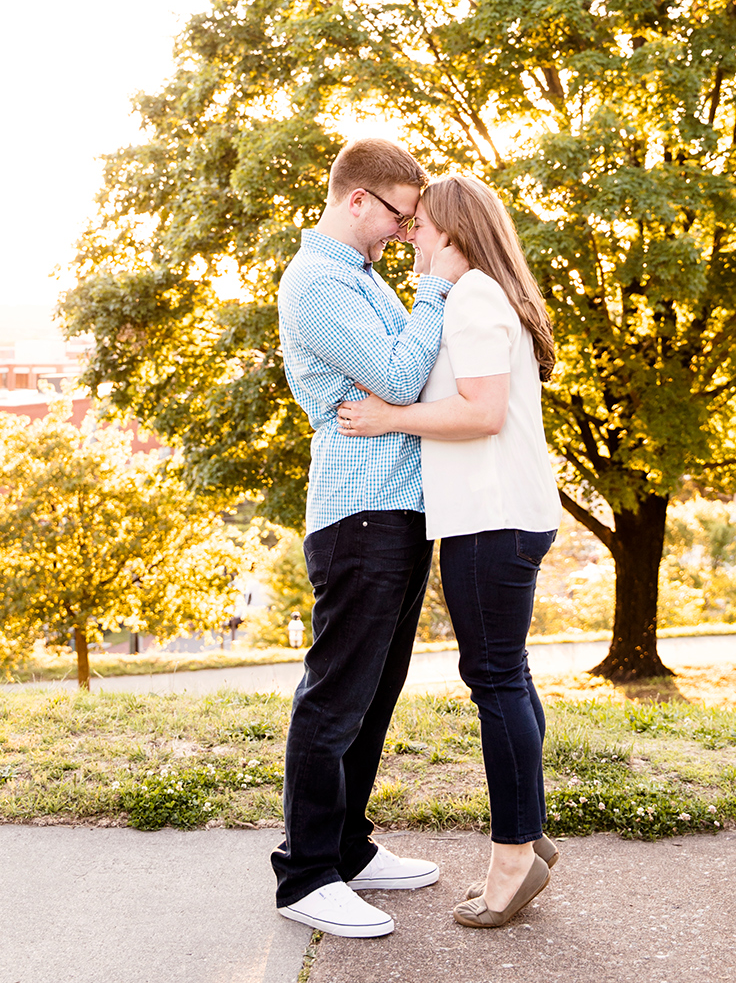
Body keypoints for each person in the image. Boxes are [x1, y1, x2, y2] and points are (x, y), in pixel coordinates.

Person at [337, 172, 563, 931]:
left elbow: (481, 412)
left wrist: (387, 418)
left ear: (455, 232)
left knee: (493, 680)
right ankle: (527, 836)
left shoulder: (469, 298)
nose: (411, 237)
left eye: (423, 226)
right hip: (502, 514)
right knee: (507, 676)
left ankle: (510, 858)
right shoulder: (488, 296)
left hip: (489, 520)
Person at [272, 138, 469, 940]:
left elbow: (405, 379)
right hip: (358, 513)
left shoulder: (357, 280)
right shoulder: (318, 282)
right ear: (356, 200)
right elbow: (395, 379)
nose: (403, 231)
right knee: (335, 697)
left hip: (394, 508)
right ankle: (306, 874)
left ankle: (348, 850)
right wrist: (434, 292)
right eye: (397, 214)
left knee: (372, 697)